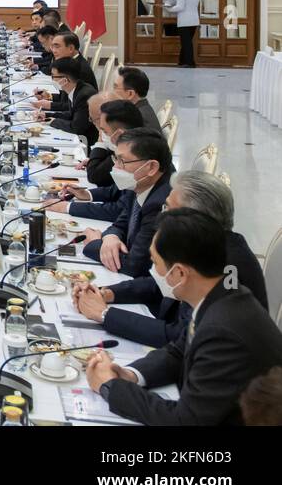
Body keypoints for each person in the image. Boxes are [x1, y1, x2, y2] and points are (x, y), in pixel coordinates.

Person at [86, 209, 282, 425]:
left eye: (156, 263)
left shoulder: (223, 329)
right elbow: (178, 352)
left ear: (179, 272)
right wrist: (130, 374)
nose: (154, 271)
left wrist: (111, 387)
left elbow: (185, 420)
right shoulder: (220, 294)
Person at [73, 171, 267, 349]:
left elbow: (179, 336)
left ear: (195, 218)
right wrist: (106, 293)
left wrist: (104, 314)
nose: (161, 214)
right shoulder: (202, 241)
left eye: (168, 208)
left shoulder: (226, 264)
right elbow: (162, 281)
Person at [50, 128, 173, 276]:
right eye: (116, 159)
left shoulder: (161, 204)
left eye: (122, 161)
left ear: (151, 167)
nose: (116, 167)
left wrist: (95, 243)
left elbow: (136, 265)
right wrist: (110, 236)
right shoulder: (139, 183)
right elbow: (122, 220)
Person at [34, 57, 98, 145]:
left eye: (53, 76)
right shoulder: (76, 89)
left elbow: (76, 127)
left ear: (64, 80)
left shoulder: (84, 95)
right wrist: (47, 115)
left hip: (86, 141)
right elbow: (71, 114)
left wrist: (53, 121)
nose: (52, 79)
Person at [85, 98, 145, 188]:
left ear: (119, 134)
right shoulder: (131, 142)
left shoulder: (135, 156)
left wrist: (100, 141)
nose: (101, 134)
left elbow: (94, 175)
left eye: (104, 131)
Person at [168, 0, 202, 68]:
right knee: (187, 41)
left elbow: (180, 7)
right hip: (194, 20)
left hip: (184, 21)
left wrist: (169, 9)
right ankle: (182, 61)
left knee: (186, 43)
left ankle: (190, 62)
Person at [113, 66, 161, 130]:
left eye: (115, 87)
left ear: (130, 94)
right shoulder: (141, 108)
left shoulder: (136, 120)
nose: (113, 91)